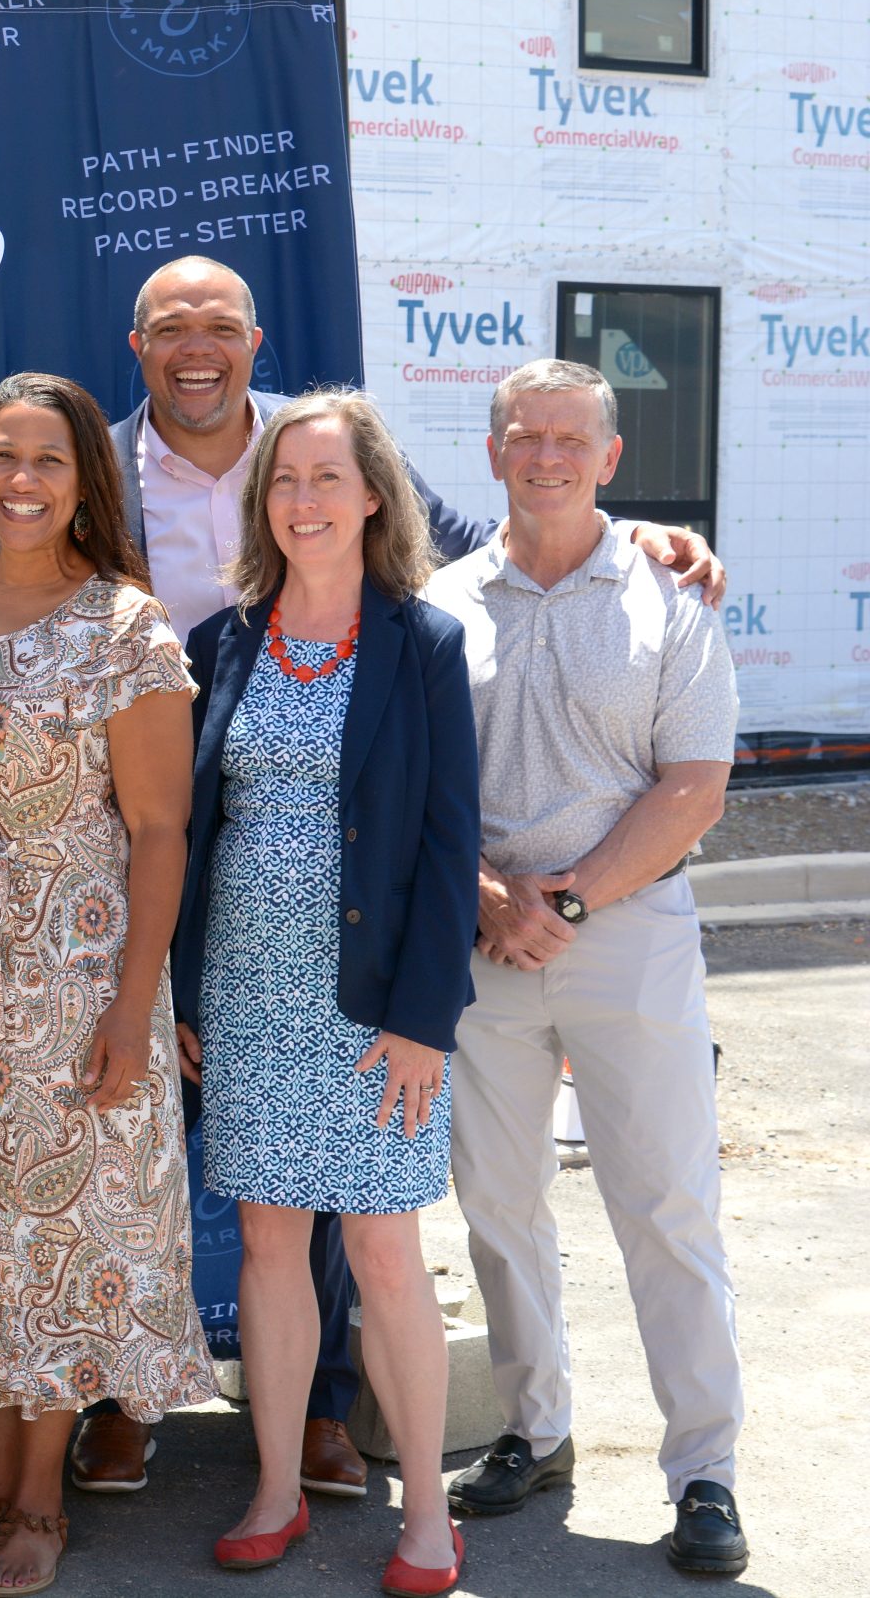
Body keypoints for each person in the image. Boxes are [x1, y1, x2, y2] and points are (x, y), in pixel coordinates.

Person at [79, 252, 726, 1500]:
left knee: (624, 1215)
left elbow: (511, 573)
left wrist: (637, 532)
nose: (196, 344)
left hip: (451, 952)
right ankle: (169, 1406)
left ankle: (674, 1470)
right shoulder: (104, 482)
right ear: (137, 343)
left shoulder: (424, 615)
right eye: (172, 326)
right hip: (268, 935)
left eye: (219, 323)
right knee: (412, 1211)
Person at [0, 372, 215, 1597]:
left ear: (86, 484)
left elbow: (160, 834)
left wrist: (135, 1008)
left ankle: (35, 1503)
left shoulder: (126, 627)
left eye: (48, 463)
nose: (20, 481)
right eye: (1, 458)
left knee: (61, 1237)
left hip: (75, 980)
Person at [427, 359, 746, 1579]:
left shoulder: (671, 595)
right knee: (501, 1207)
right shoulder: (444, 599)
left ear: (609, 458)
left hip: (626, 934)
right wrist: (487, 898)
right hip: (485, 941)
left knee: (666, 1207)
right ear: (494, 447)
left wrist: (558, 899)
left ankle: (704, 1471)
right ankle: (533, 1429)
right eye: (523, 435)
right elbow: (424, 788)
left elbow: (694, 787)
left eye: (570, 438)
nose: (545, 455)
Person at [172, 393, 480, 1595]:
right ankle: (275, 1489)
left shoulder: (424, 644)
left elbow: (451, 847)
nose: (303, 500)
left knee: (387, 1253)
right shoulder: (222, 642)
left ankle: (427, 1518)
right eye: (282, 481)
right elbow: (198, 832)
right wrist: (189, 992)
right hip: (245, 995)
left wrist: (420, 1022)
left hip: (373, 1010)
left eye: (325, 478)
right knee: (265, 1243)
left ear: (371, 497)